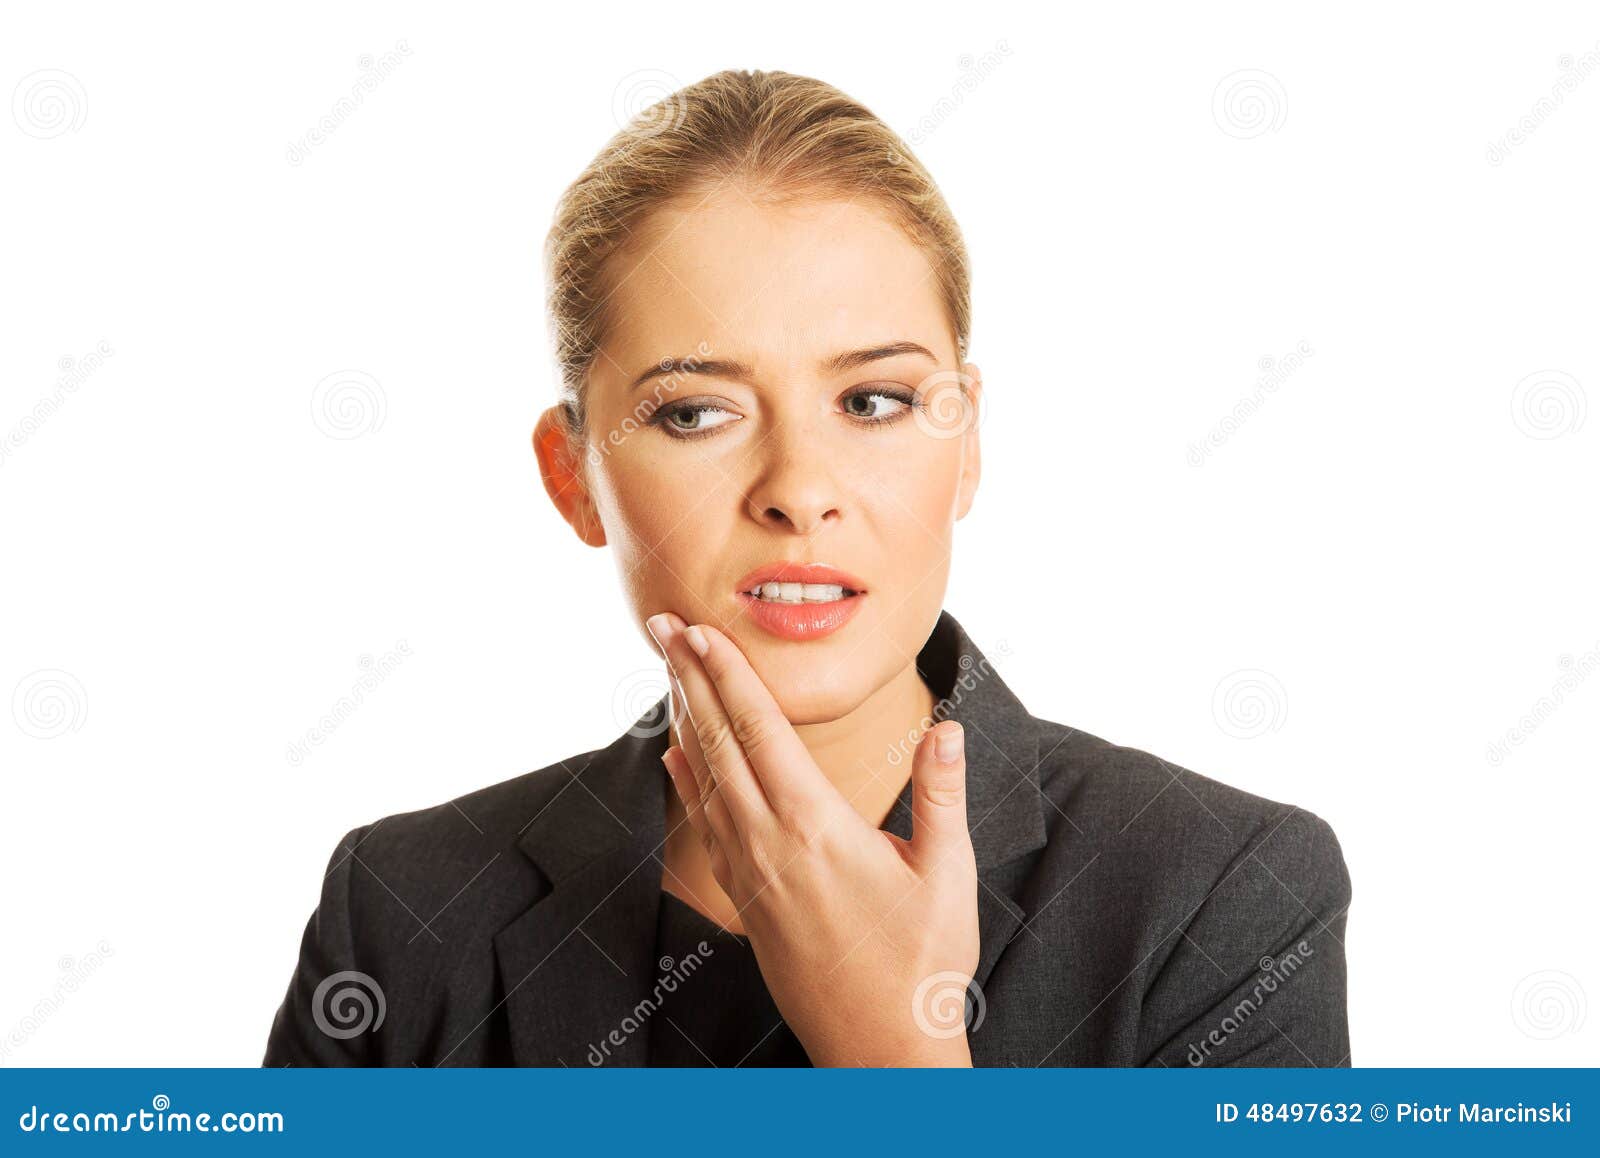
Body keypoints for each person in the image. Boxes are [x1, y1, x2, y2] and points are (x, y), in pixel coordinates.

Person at [264, 68, 1351, 1068]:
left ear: (965, 445)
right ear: (574, 476)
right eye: (696, 412)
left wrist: (899, 1063)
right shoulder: (403, 911)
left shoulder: (1225, 895)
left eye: (871, 401)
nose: (798, 487)